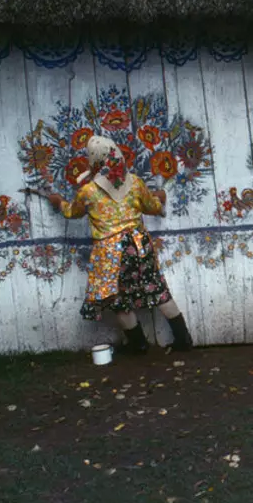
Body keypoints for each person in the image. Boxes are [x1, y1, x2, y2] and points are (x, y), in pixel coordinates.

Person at [44, 135, 194, 354]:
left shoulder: (88, 192)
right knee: (158, 289)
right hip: (138, 245)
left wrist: (58, 203)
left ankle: (138, 344)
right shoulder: (134, 182)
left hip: (111, 252)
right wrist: (160, 197)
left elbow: (72, 212)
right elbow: (151, 206)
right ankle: (183, 339)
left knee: (117, 299)